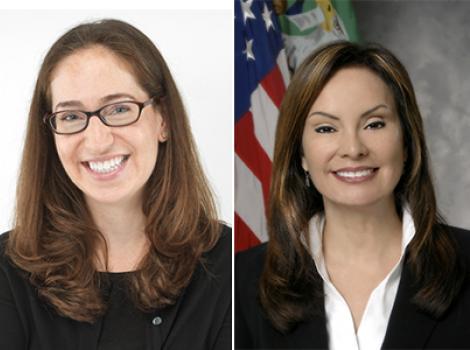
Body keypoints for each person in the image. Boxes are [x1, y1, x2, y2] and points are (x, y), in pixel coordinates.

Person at [0, 19, 231, 350]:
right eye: (70, 116)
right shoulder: (7, 269)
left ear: (163, 119)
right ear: (50, 133)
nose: (97, 140)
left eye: (120, 109)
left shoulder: (230, 265)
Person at [235, 41, 470, 349]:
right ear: (301, 154)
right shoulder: (241, 282)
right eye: (326, 129)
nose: (353, 149)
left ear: (407, 143)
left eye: (374, 124)